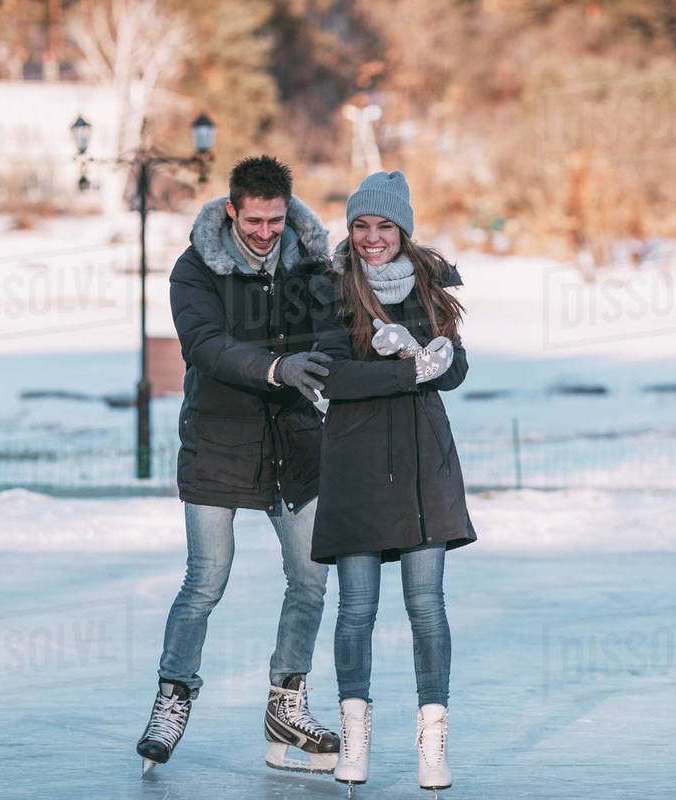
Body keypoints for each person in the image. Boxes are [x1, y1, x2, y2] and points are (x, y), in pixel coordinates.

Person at [136, 156, 341, 775]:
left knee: (310, 578)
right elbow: (205, 345)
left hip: (294, 444)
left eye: (275, 220)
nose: (265, 232)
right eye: (254, 221)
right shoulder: (196, 268)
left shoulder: (311, 264)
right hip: (219, 441)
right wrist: (277, 368)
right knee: (206, 579)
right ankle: (174, 695)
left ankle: (287, 704)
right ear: (232, 211)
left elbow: (336, 332)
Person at [308, 170, 476, 794]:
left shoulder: (431, 284)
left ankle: (433, 745)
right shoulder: (328, 288)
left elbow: (454, 369)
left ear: (403, 229)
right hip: (355, 466)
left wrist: (429, 354)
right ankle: (354, 742)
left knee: (426, 606)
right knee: (356, 608)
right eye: (360, 225)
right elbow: (333, 377)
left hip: (423, 465)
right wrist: (410, 369)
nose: (372, 237)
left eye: (384, 225)